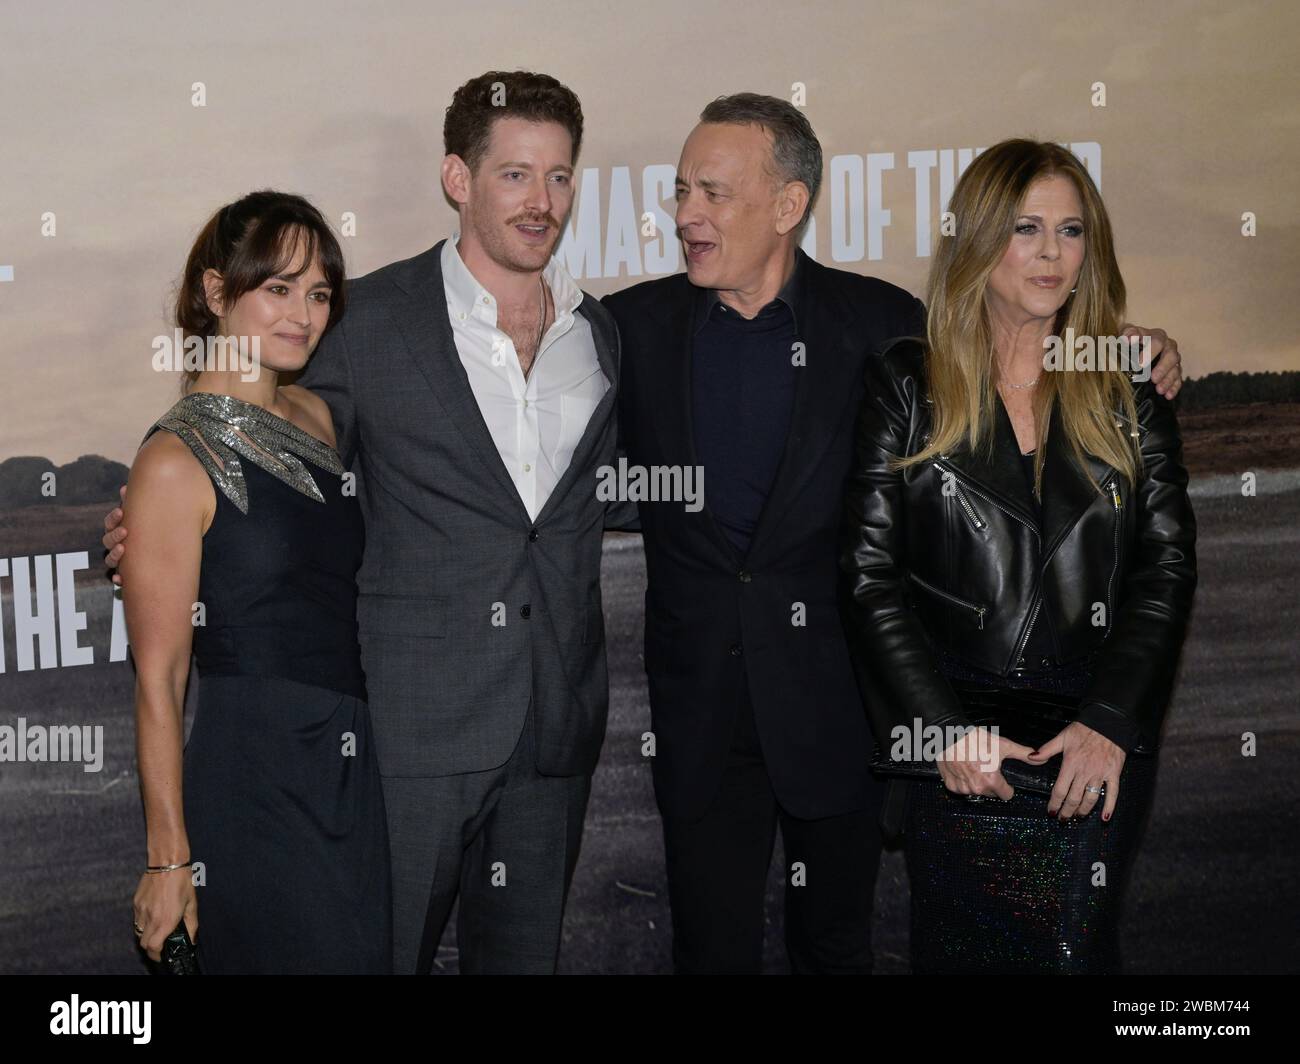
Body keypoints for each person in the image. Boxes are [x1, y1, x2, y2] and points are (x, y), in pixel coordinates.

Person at [604, 96, 1185, 974]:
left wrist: (1134, 347)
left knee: (847, 946)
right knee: (710, 950)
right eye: (683, 191)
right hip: (709, 715)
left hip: (840, 712)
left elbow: (1018, 344)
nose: (687, 213)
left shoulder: (882, 326)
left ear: (789, 205)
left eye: (714, 193)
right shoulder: (630, 329)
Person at [109, 72, 627, 974]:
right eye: (514, 175)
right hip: (404, 739)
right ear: (458, 180)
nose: (541, 201)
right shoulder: (374, 326)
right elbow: (224, 490)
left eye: (560, 177)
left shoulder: (605, 335)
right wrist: (145, 532)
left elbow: (283, 472)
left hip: (551, 734)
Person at [838, 138, 1198, 973]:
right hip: (963, 746)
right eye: (1026, 228)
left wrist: (1110, 723)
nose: (1050, 253)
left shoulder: (1128, 382)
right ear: (978, 238)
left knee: (1079, 953)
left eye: (1071, 232)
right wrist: (942, 729)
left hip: (1093, 739)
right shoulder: (907, 381)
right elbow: (868, 577)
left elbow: (1165, 571)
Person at [124, 190, 391, 973]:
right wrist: (170, 861)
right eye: (277, 289)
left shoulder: (318, 416)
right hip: (255, 772)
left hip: (349, 760)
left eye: (317, 294)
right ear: (216, 292)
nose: (303, 315)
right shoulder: (171, 463)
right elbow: (159, 679)